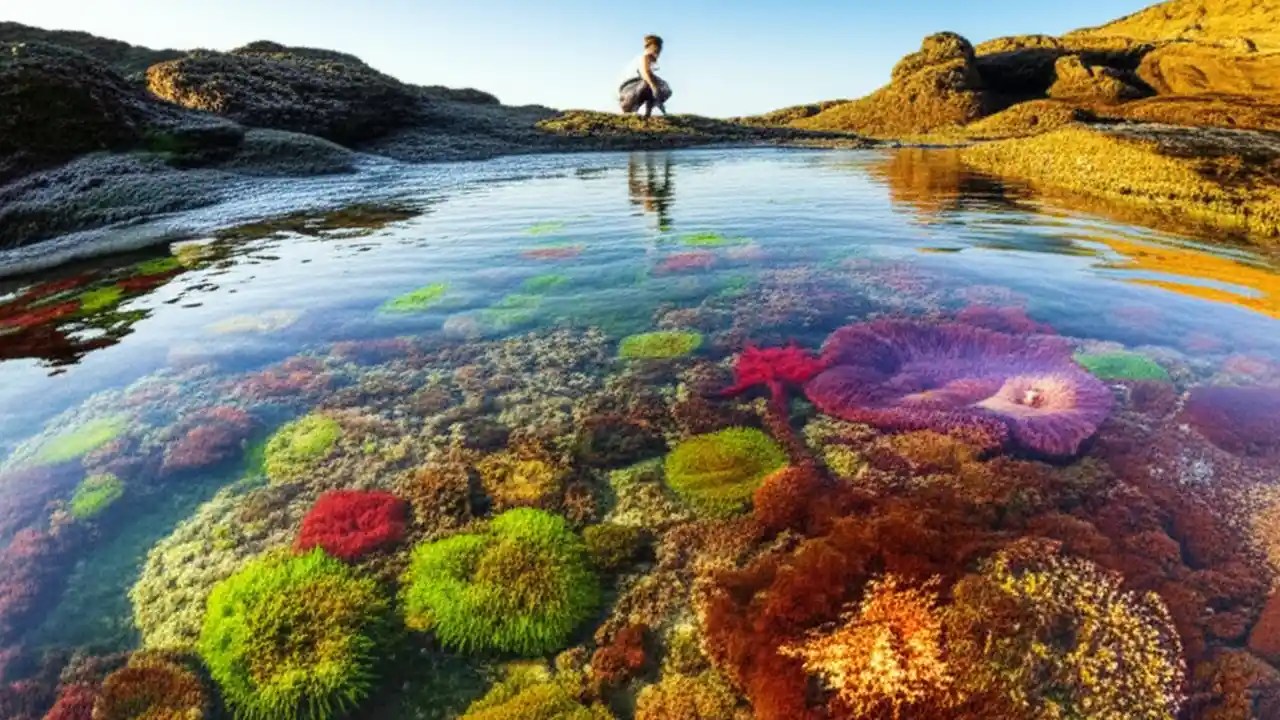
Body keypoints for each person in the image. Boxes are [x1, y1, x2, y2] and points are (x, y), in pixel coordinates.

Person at [619, 34, 672, 121]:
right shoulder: (644, 57)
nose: (658, 53)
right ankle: (641, 110)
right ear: (650, 47)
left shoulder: (647, 60)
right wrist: (654, 87)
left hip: (630, 94)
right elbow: (645, 73)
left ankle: (647, 112)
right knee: (654, 84)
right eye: (656, 50)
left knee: (660, 86)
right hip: (628, 94)